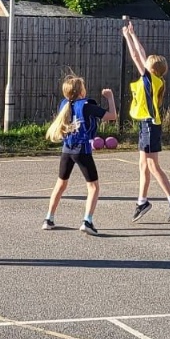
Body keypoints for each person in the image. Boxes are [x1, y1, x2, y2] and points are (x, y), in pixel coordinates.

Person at [122, 20, 170, 222]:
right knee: (143, 165)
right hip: (145, 124)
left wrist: (127, 38)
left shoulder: (151, 80)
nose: (144, 62)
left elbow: (136, 56)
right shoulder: (151, 78)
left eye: (147, 63)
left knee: (153, 165)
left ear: (152, 69)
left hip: (150, 125)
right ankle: (142, 202)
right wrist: (133, 34)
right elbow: (142, 54)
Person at [42, 75, 117, 235]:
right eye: (83, 86)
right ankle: (87, 221)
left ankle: (49, 218)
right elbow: (112, 116)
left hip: (67, 150)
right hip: (82, 150)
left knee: (60, 185)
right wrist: (110, 98)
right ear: (80, 91)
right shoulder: (86, 106)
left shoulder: (64, 105)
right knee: (93, 187)